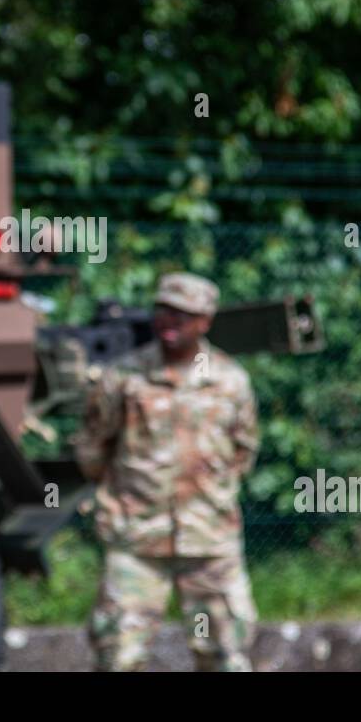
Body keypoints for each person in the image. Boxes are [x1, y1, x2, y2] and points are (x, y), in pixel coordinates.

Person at [73, 272, 260, 671]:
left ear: (204, 321)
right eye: (163, 312)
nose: (169, 323)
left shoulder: (230, 380)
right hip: (136, 540)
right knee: (117, 655)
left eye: (182, 315)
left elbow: (244, 450)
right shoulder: (122, 378)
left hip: (209, 541)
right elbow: (92, 447)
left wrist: (208, 493)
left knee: (225, 654)